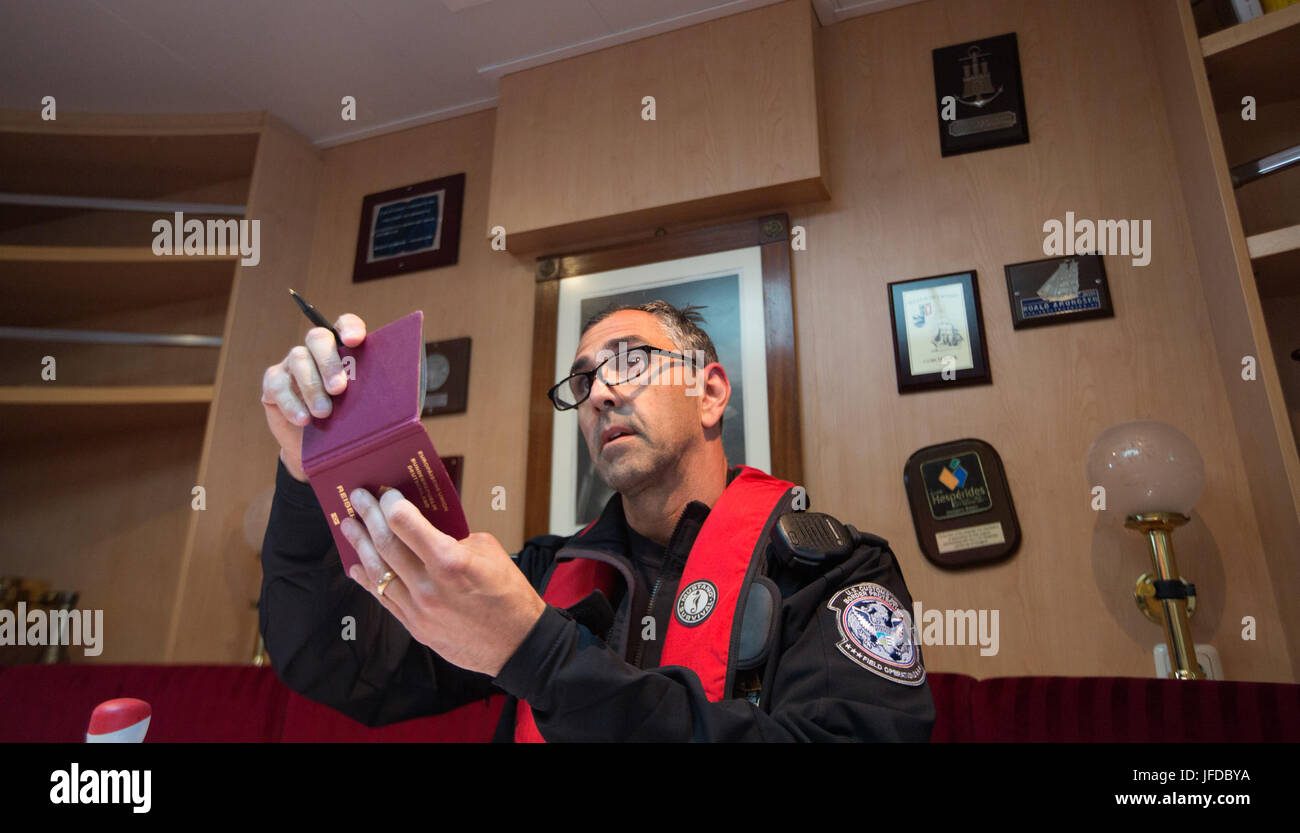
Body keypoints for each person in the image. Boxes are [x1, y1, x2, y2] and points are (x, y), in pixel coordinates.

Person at [258, 300, 936, 741]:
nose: (601, 393)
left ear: (709, 392)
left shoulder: (834, 572)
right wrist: (302, 469)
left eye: (632, 363)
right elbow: (341, 662)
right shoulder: (539, 577)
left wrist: (542, 656)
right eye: (583, 383)